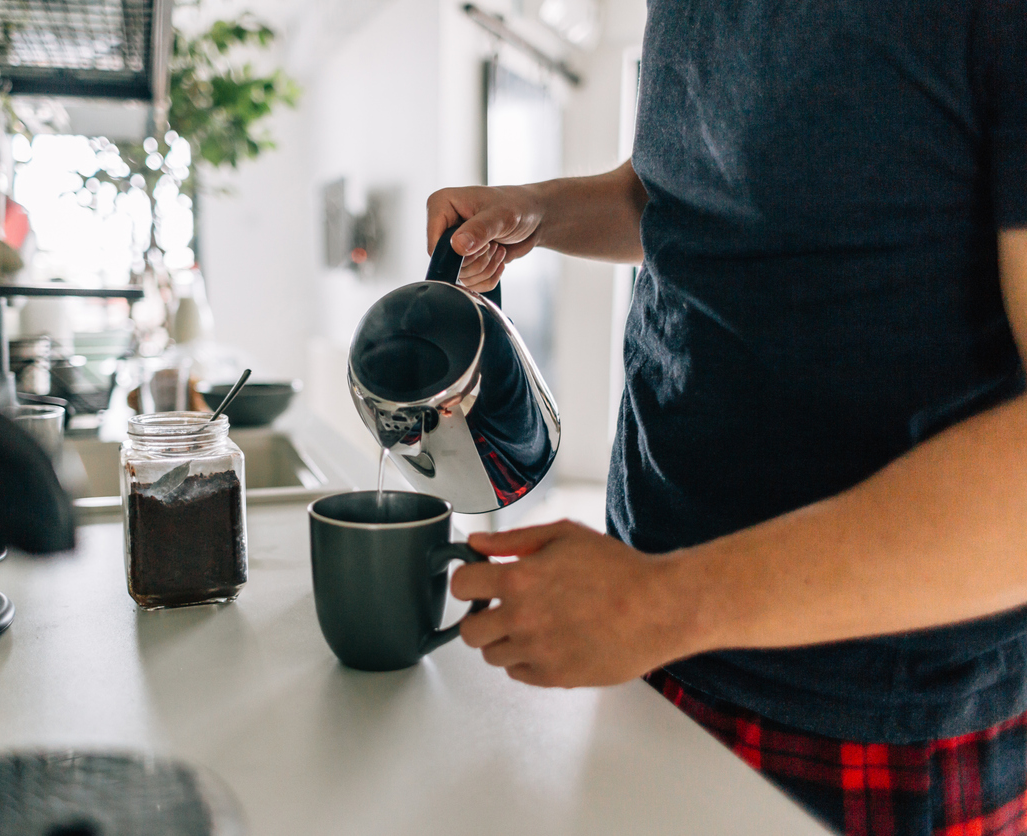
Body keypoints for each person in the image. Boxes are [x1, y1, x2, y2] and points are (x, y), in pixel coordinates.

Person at [426, 2, 1027, 834]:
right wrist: (539, 208)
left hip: (871, 714)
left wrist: (663, 603)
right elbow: (669, 191)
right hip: (657, 641)